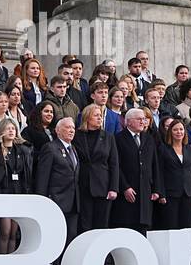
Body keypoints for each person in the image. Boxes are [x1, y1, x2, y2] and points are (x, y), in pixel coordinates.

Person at [114, 107, 163, 232]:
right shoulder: (118, 139)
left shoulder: (148, 139)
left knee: (143, 229)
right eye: (139, 119)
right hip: (128, 192)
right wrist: (125, 187)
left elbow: (154, 165)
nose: (143, 122)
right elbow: (116, 166)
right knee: (127, 228)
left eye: (144, 119)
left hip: (146, 192)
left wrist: (157, 189)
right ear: (128, 122)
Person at [35, 117, 81, 246]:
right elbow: (42, 177)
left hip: (73, 202)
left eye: (73, 128)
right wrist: (42, 200)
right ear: (58, 130)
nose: (71, 130)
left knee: (70, 237)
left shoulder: (73, 149)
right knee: (55, 238)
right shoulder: (50, 148)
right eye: (67, 127)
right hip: (56, 200)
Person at [0, 117, 33, 264]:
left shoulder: (22, 150)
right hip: (3, 194)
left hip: (18, 194)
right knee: (4, 231)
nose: (11, 131)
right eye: (8, 128)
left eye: (13, 128)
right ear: (1, 131)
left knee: (13, 233)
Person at [74, 103, 119, 231]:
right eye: (96, 115)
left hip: (103, 187)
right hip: (83, 186)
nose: (100, 118)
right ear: (87, 117)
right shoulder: (77, 136)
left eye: (101, 116)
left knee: (101, 225)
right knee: (84, 224)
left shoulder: (108, 137)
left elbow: (114, 164)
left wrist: (113, 188)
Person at [156, 117, 191, 229]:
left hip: (188, 194)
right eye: (175, 130)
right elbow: (159, 173)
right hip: (171, 194)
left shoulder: (190, 149)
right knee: (171, 226)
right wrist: (161, 194)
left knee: (187, 227)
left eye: (181, 129)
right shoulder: (163, 149)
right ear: (170, 132)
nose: (179, 132)